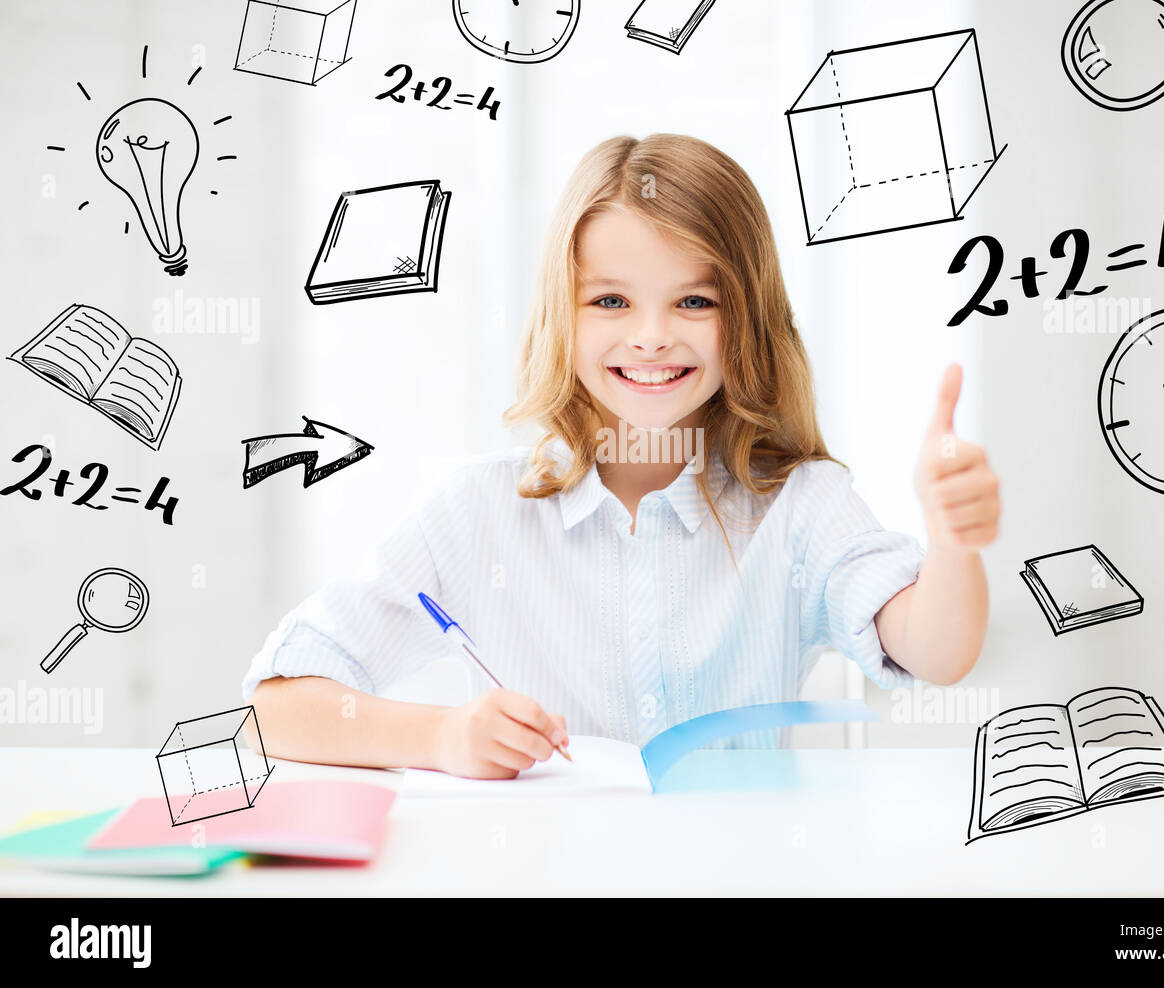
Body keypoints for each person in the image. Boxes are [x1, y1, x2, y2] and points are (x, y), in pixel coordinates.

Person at [244, 134, 1000, 778]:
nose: (650, 336)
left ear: (749, 321)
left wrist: (952, 546)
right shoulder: (476, 511)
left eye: (695, 302)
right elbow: (275, 710)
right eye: (611, 301)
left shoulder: (800, 504)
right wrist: (441, 736)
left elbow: (937, 653)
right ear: (560, 315)